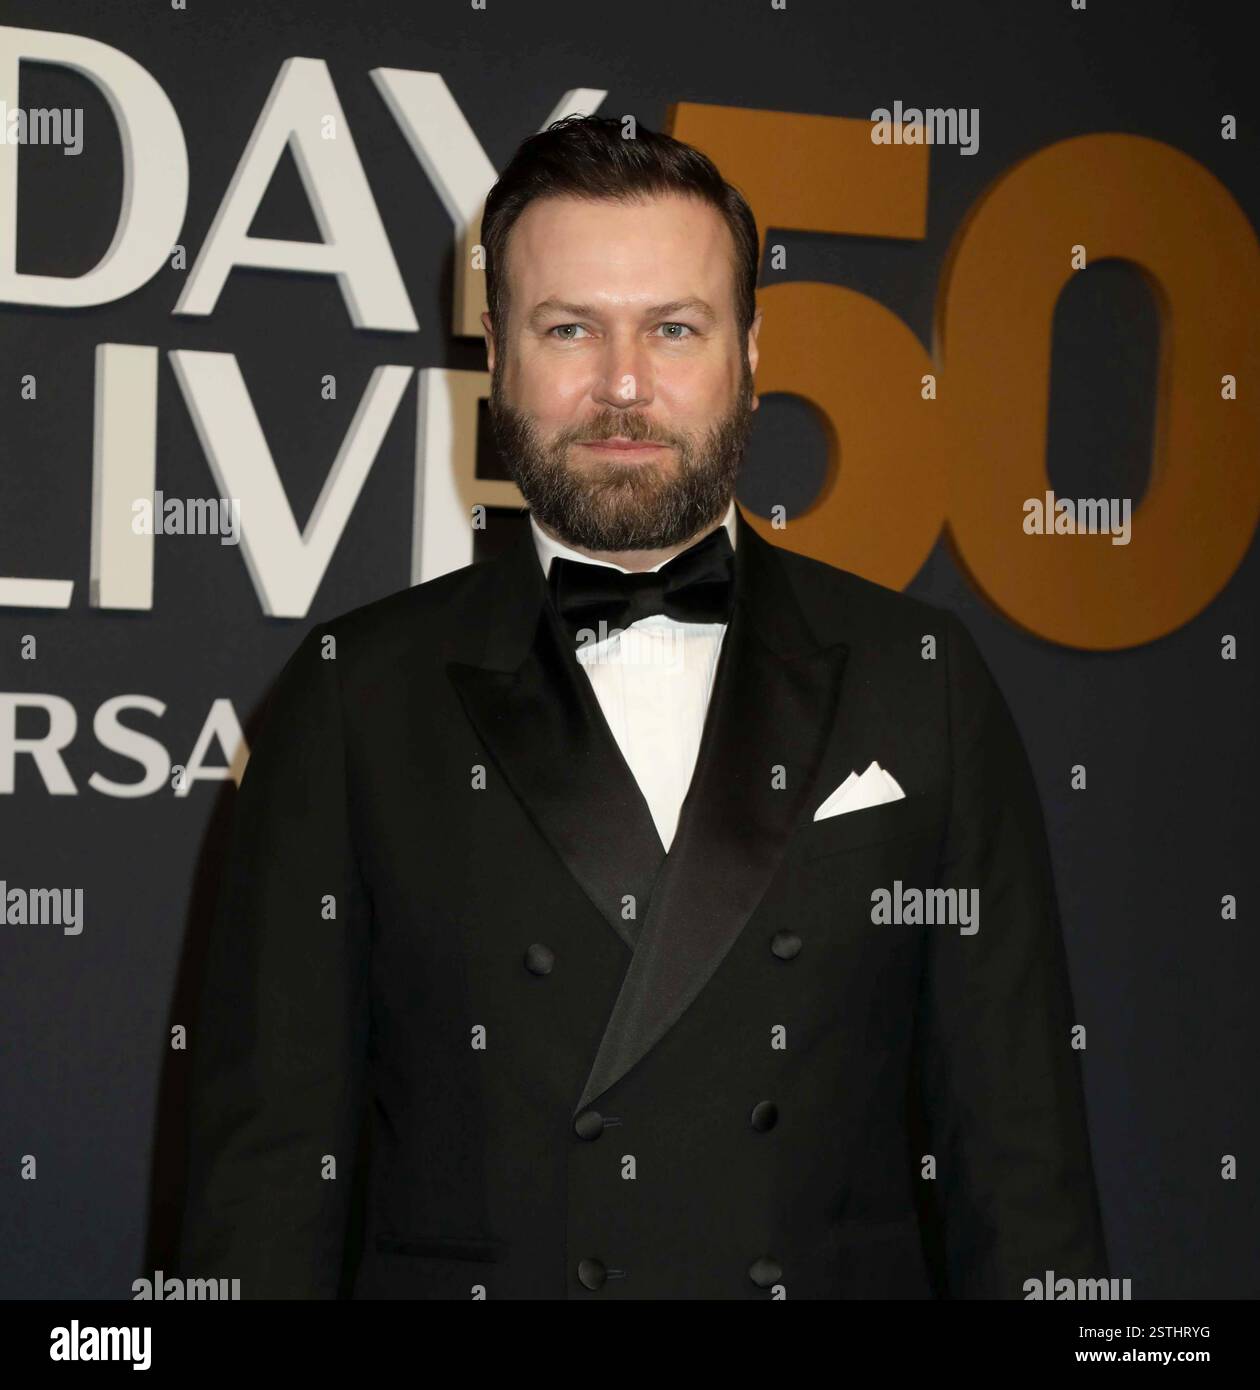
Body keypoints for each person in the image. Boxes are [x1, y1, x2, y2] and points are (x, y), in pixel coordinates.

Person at [177, 113, 1108, 1299]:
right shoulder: (353, 695)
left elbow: (1021, 1169)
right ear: (498, 354)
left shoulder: (920, 676)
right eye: (570, 328)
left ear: (752, 352)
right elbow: (263, 1193)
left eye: (675, 328)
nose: (623, 386)